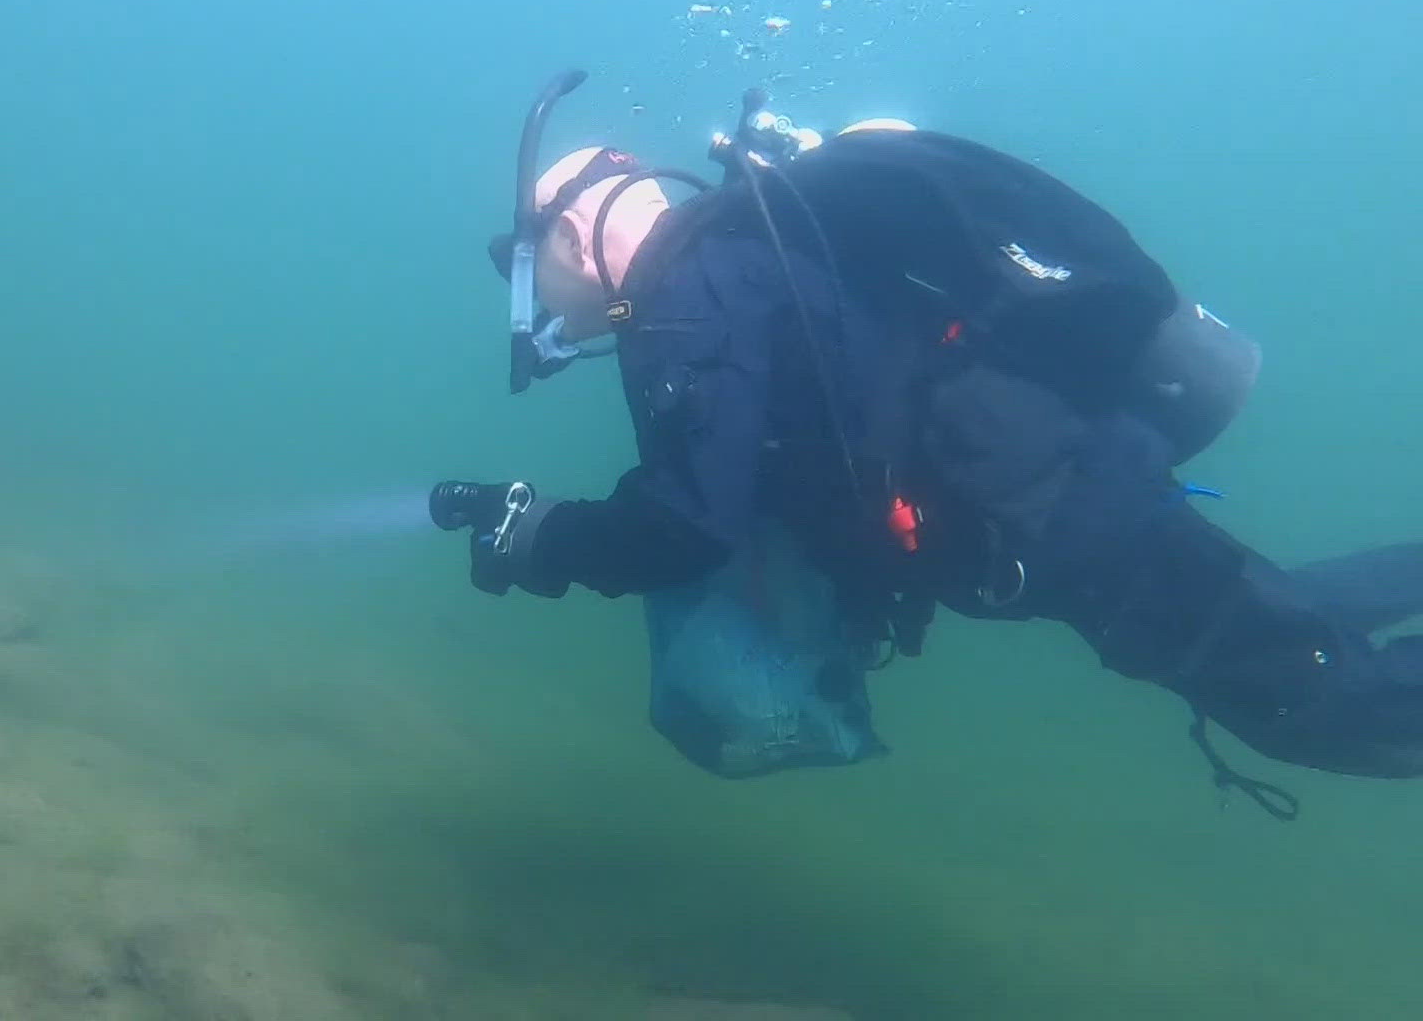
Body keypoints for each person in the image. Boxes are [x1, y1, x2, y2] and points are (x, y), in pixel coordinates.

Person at [432, 72, 1423, 817]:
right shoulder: (740, 253)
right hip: (1070, 490)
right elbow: (818, 453)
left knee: (1318, 702)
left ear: (568, 237)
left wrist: (544, 541)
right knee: (1274, 615)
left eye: (524, 270)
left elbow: (687, 525)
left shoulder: (689, 308)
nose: (539, 308)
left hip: (1063, 514)